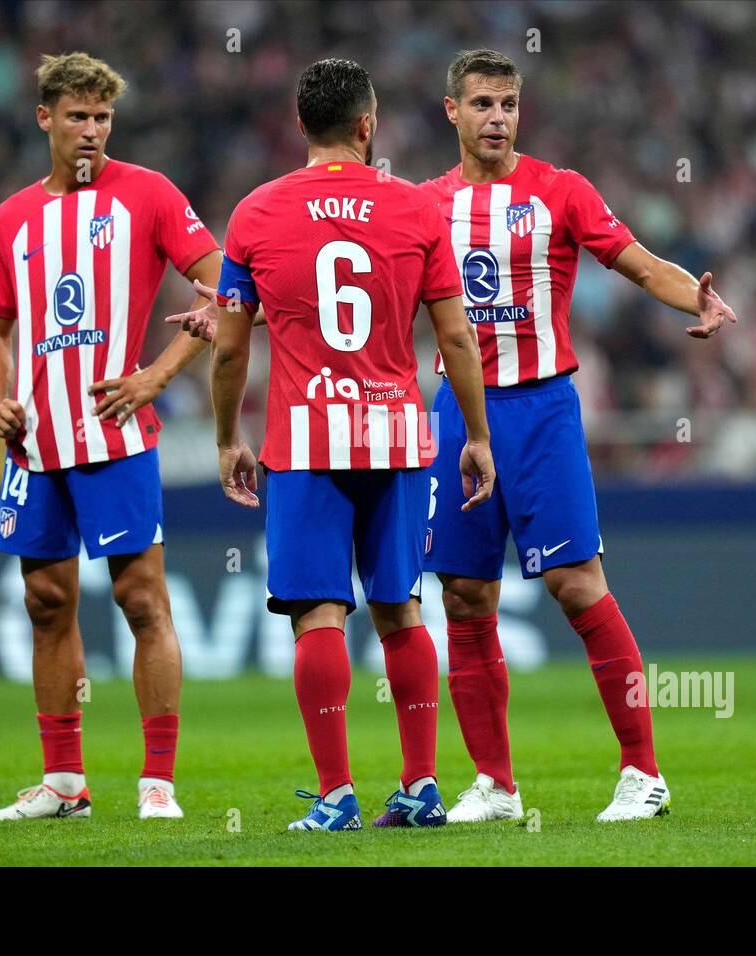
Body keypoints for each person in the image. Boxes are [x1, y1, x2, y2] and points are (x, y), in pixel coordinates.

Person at [420, 49, 738, 823]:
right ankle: (495, 784)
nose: (498, 117)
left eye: (508, 103)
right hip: (459, 413)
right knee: (463, 596)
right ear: (451, 112)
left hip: (540, 412)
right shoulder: (423, 203)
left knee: (575, 584)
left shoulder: (561, 191)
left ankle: (643, 771)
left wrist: (691, 297)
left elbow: (636, 262)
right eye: (483, 104)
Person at [191, 58, 495, 831]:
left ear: (301, 126)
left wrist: (228, 436)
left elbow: (229, 349)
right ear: (368, 125)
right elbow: (456, 335)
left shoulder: (255, 214)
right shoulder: (417, 210)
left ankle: (336, 797)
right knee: (401, 611)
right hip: (397, 437)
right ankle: (422, 787)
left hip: (305, 440)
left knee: (319, 615)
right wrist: (478, 436)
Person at [0, 51, 221, 822]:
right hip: (37, 446)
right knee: (46, 601)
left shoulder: (147, 194)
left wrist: (158, 374)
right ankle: (64, 784)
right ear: (45, 118)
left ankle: (157, 784)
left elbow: (225, 288)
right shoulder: (13, 217)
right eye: (77, 116)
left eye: (103, 117)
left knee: (140, 599)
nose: (91, 131)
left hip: (115, 435)